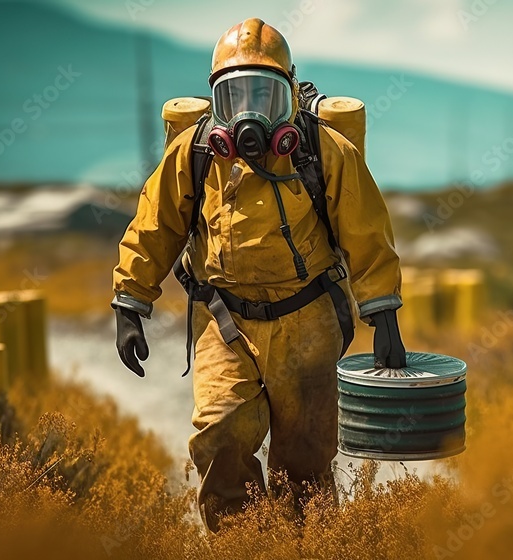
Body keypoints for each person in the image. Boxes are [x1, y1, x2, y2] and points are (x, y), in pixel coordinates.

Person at [110, 17, 407, 532]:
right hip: (225, 324)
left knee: (306, 462)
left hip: (308, 319)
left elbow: (366, 233)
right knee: (219, 437)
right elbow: (154, 227)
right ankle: (242, 545)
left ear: (289, 95)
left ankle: (307, 544)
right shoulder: (196, 152)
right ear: (216, 103)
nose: (249, 114)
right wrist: (129, 302)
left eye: (264, 95)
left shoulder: (324, 150)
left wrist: (383, 314)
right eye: (234, 97)